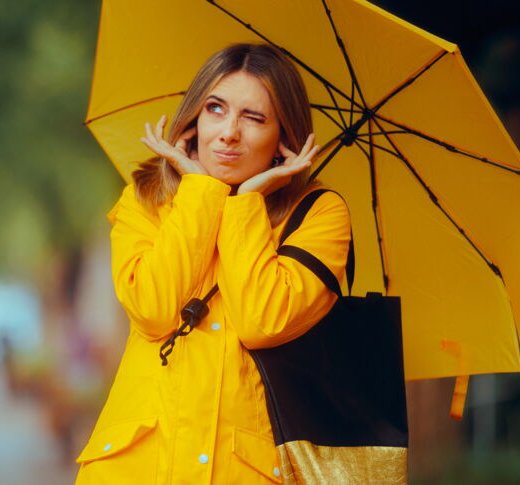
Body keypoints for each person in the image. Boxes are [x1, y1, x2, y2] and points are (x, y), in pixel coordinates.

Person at [75, 43, 352, 484]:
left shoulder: (318, 215)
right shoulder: (146, 199)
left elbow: (264, 321)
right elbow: (152, 309)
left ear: (284, 137)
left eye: (254, 118)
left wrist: (246, 204)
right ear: (194, 119)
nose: (228, 132)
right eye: (216, 109)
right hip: (137, 466)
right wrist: (201, 194)